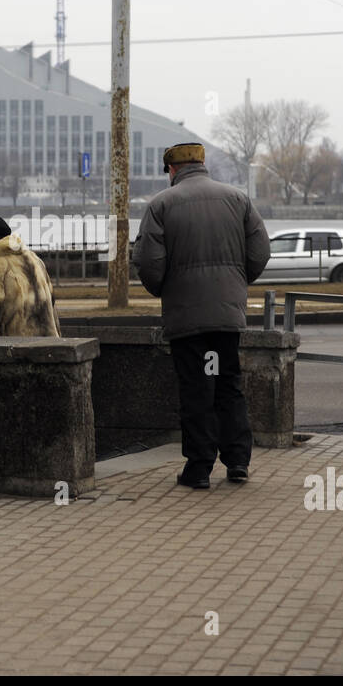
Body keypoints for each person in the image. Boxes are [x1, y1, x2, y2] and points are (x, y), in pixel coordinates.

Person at [132, 143, 271, 490]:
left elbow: (148, 262)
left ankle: (199, 468)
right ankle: (238, 461)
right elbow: (261, 250)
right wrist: (236, 283)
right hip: (226, 318)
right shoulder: (238, 199)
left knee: (197, 389)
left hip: (187, 321)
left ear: (172, 170)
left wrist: (165, 289)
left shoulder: (161, 205)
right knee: (228, 384)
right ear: (202, 165)